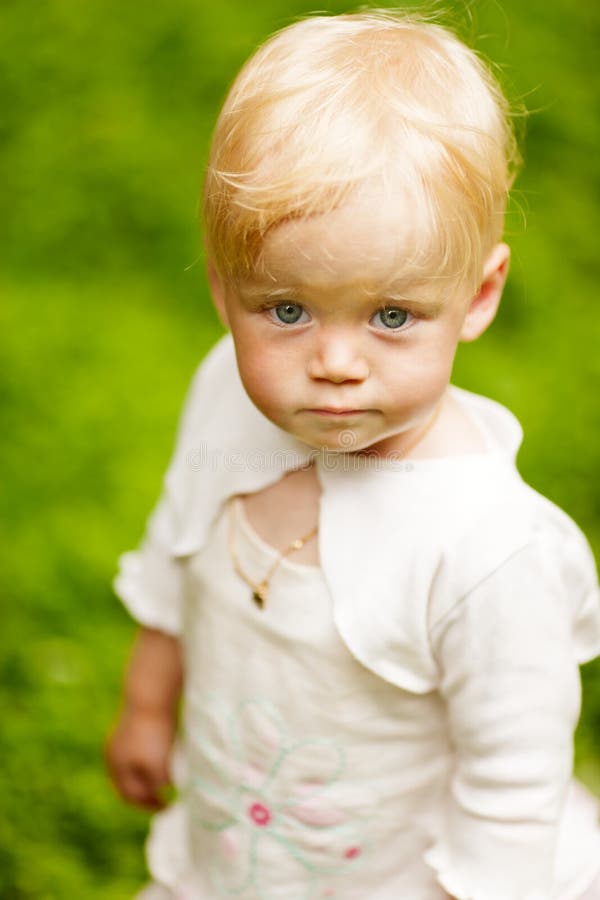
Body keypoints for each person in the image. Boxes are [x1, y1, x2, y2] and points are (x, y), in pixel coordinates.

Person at [105, 10, 600, 899]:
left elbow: (513, 781)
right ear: (225, 289)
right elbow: (175, 546)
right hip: (241, 852)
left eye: (393, 316)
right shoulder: (226, 389)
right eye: (286, 310)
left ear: (478, 295)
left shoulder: (487, 550)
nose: (335, 363)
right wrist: (148, 705)